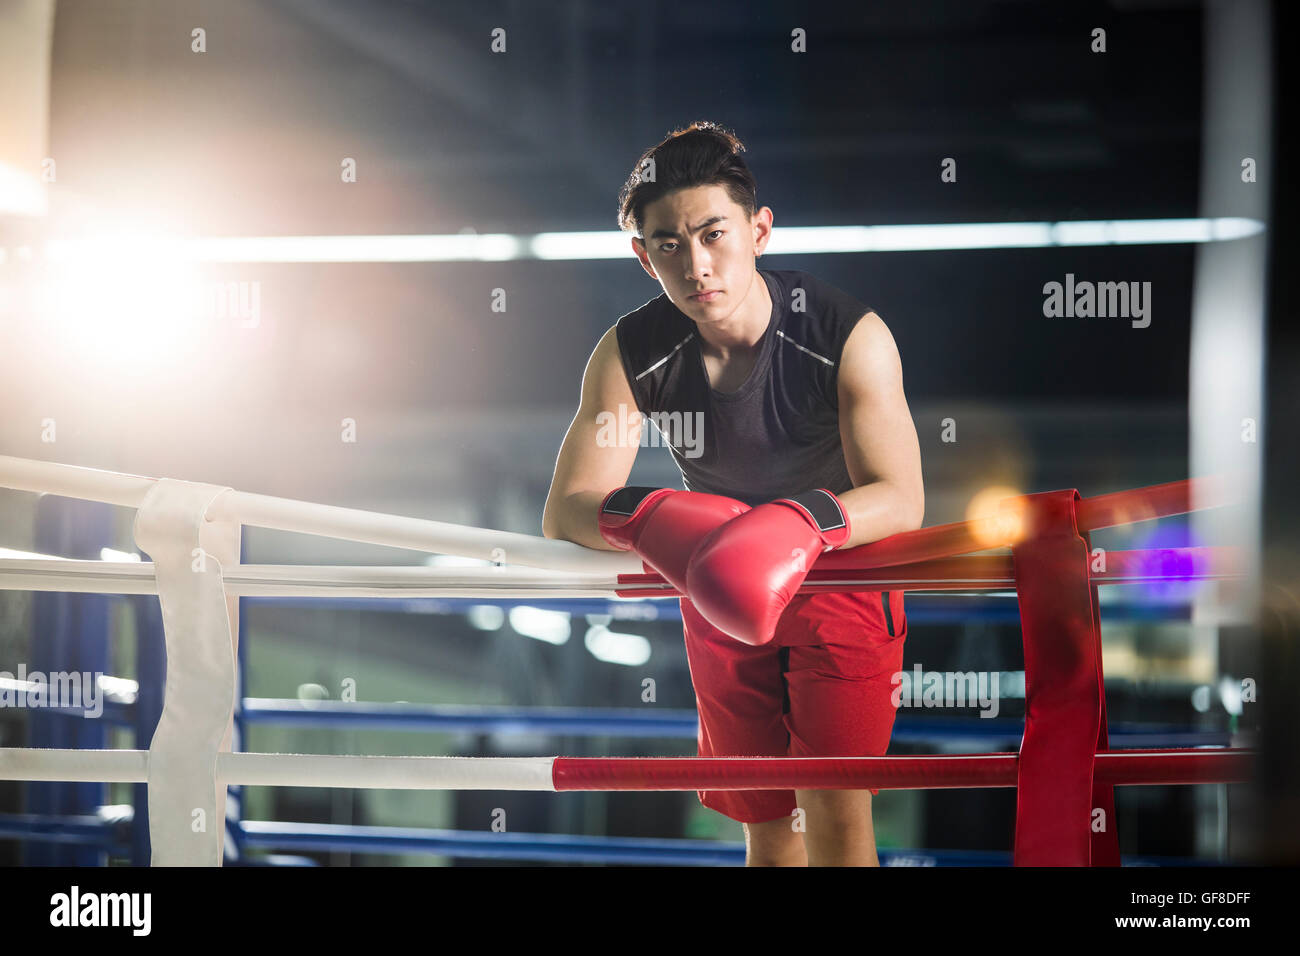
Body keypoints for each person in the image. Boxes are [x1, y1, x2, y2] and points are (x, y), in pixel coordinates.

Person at [542, 121, 924, 866]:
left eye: (714, 234)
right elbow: (568, 506)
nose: (697, 265)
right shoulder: (632, 351)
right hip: (713, 578)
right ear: (642, 256)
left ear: (760, 230)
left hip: (841, 579)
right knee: (761, 814)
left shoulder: (847, 334)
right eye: (669, 245)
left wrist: (797, 522)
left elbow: (903, 497)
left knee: (836, 813)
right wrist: (656, 518)